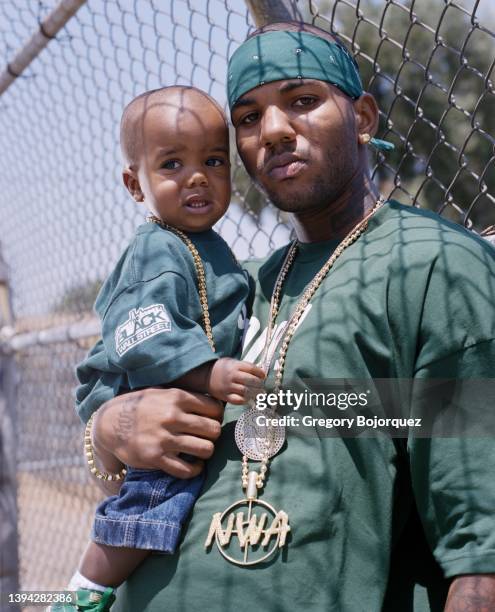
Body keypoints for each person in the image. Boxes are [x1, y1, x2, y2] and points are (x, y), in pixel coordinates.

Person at [87, 22, 495, 612]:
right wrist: (109, 429)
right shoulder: (232, 284)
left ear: (362, 119)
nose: (274, 130)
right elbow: (117, 475)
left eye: (303, 101)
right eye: (248, 118)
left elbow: (479, 551)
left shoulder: (437, 266)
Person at [57, 85, 265, 611]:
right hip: (145, 392)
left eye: (213, 161)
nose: (197, 177)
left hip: (180, 399)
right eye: (172, 164)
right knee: (152, 505)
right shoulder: (157, 248)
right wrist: (208, 371)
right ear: (135, 184)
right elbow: (143, 334)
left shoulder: (210, 247)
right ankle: (82, 593)